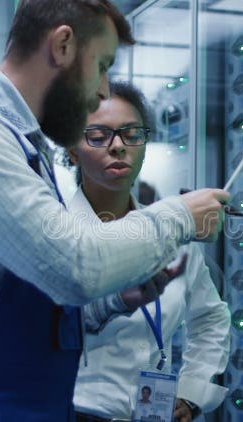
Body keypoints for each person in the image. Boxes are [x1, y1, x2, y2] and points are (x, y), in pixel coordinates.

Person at [0, 1, 229, 420]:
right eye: (102, 65)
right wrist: (181, 215)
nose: (103, 90)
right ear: (63, 45)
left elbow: (19, 300)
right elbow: (75, 267)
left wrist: (112, 303)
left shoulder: (20, 144)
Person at [67, 81, 230, 422]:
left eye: (132, 134)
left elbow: (209, 318)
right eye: (98, 136)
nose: (117, 147)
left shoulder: (174, 233)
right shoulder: (57, 231)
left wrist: (191, 394)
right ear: (71, 150)